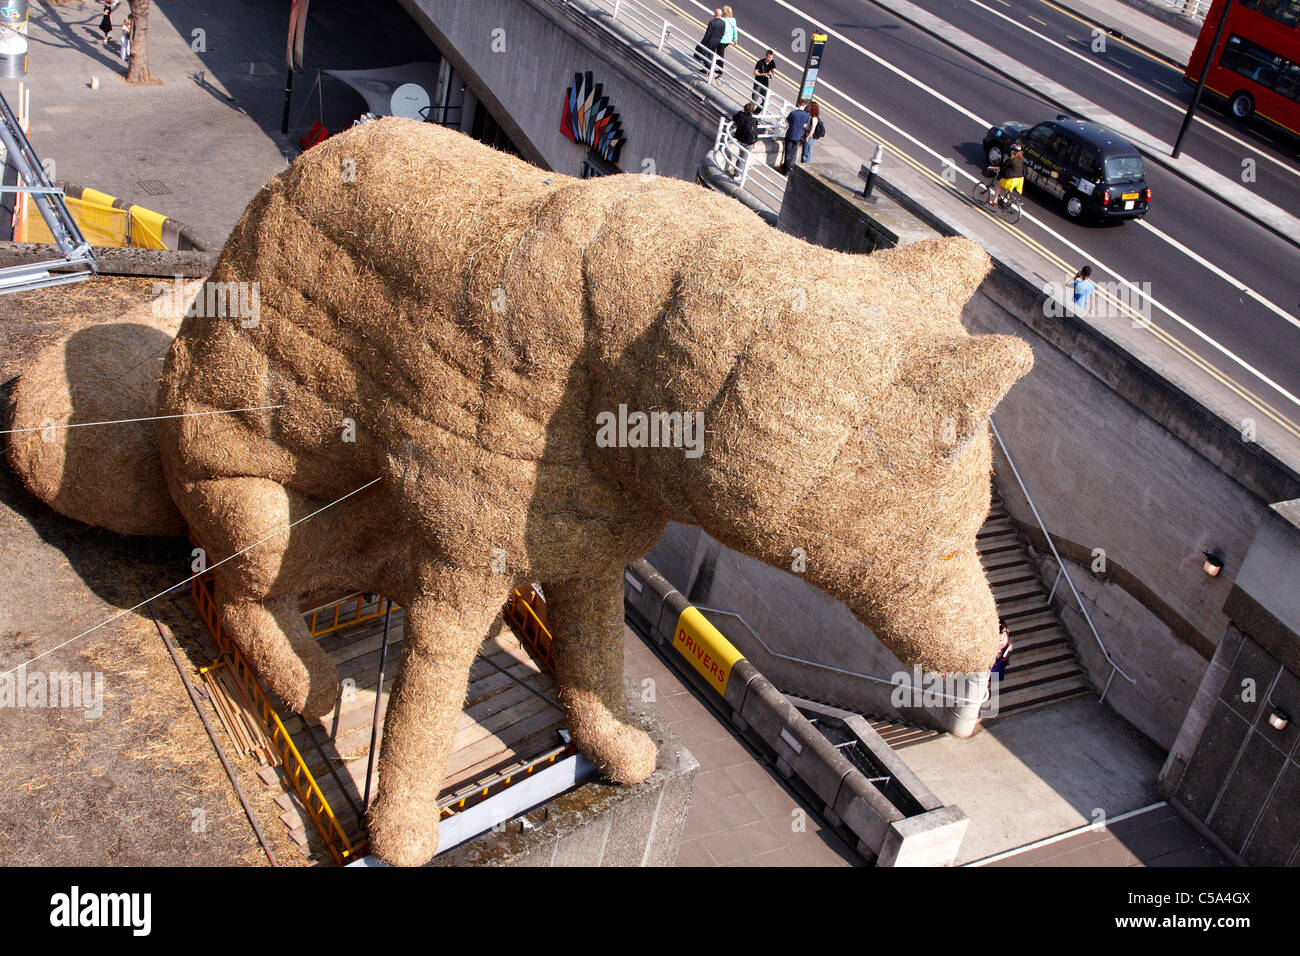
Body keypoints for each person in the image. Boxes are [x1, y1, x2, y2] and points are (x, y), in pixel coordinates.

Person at [990, 141, 1024, 208]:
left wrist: (991, 167)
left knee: (999, 186)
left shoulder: (1010, 160)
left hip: (1011, 179)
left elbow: (1001, 168)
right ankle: (1008, 202)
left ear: (1012, 151)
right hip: (1019, 179)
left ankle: (995, 201)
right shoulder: (1020, 159)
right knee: (1006, 189)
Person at [781, 99, 810, 175]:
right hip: (798, 136)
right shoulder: (806, 115)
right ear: (805, 105)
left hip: (790, 134)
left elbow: (787, 121)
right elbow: (805, 125)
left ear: (798, 104)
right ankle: (788, 168)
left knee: (787, 153)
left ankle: (786, 169)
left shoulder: (793, 113)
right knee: (793, 153)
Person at [696, 9, 725, 76]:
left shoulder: (712, 22)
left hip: (709, 41)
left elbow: (708, 34)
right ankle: (707, 69)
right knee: (711, 55)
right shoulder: (723, 23)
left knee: (705, 54)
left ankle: (708, 68)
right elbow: (722, 33)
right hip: (717, 42)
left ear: (716, 14)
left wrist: (703, 42)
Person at [716, 6, 739, 78]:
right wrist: (735, 39)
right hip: (728, 40)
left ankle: (720, 69)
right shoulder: (733, 20)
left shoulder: (722, 20)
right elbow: (735, 30)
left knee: (720, 54)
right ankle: (717, 66)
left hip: (722, 40)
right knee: (719, 53)